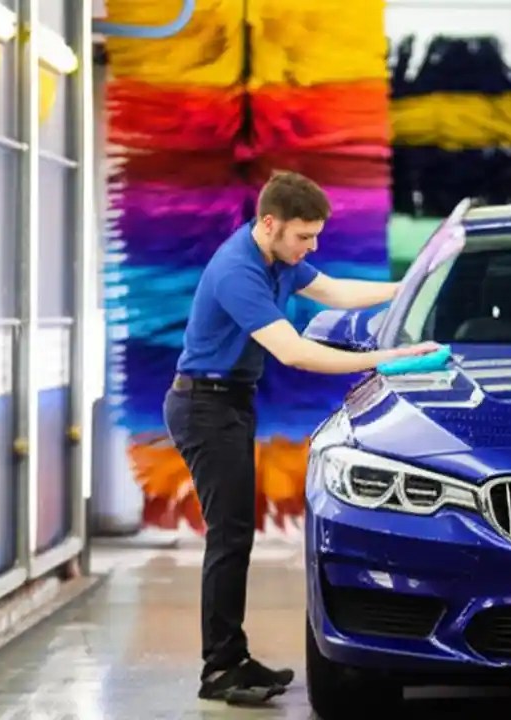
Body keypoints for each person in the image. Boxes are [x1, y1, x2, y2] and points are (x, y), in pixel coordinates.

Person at [163, 170, 437, 705]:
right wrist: (390, 358)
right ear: (270, 224)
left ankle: (232, 657)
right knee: (229, 536)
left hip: (229, 402)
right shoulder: (238, 270)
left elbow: (335, 291)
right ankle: (219, 668)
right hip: (204, 405)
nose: (311, 247)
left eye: (315, 236)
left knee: (235, 534)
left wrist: (414, 289)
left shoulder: (278, 258)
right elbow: (294, 352)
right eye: (304, 237)